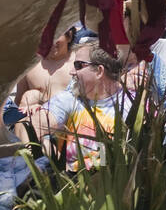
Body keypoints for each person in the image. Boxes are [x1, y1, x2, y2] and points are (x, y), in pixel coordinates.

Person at [42, 43, 134, 171]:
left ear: (99, 71)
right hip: (67, 182)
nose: (71, 72)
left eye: (78, 65)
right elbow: (29, 126)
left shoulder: (132, 106)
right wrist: (55, 161)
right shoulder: (70, 99)